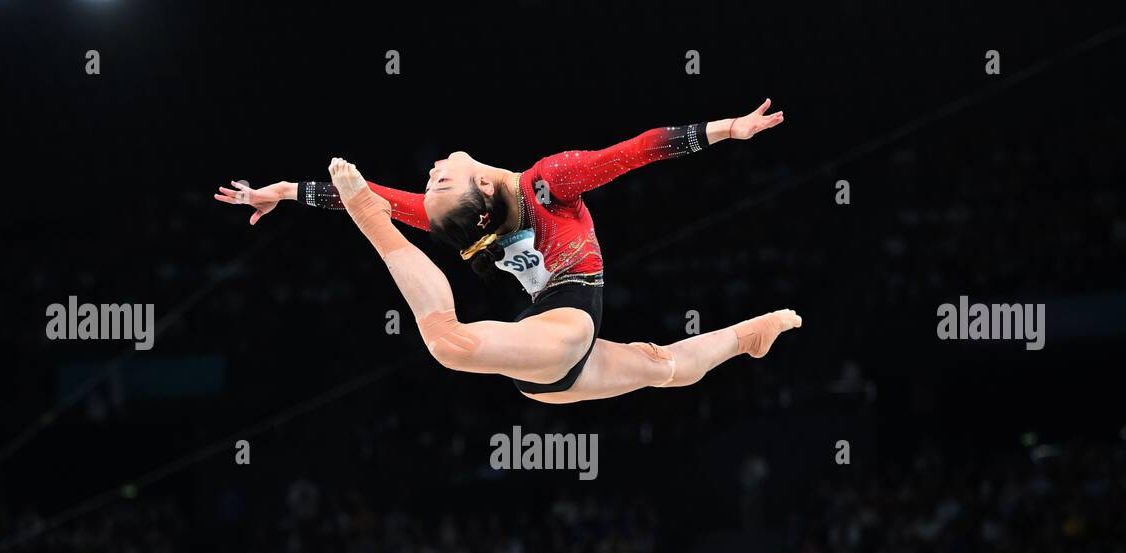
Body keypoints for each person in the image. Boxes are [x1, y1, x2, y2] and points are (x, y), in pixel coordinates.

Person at [216, 100, 801, 403]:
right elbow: (641, 149)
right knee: (450, 344)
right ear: (484, 187)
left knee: (664, 367)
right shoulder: (516, 191)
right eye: (439, 182)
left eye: (433, 183)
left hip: (550, 359)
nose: (433, 173)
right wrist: (299, 194)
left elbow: (631, 152)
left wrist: (286, 191)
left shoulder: (542, 187)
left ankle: (748, 336)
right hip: (558, 338)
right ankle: (377, 230)